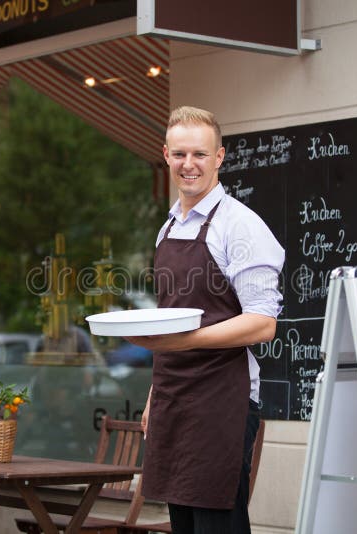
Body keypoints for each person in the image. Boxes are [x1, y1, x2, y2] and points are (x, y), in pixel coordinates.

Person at [125, 106, 284, 534]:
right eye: (179, 154)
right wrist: (154, 393)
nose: (188, 164)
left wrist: (186, 342)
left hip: (222, 401)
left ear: (219, 157)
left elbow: (262, 323)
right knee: (184, 524)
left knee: (218, 524)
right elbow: (170, 314)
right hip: (175, 396)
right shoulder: (168, 227)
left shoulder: (241, 227)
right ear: (165, 155)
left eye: (199, 154)